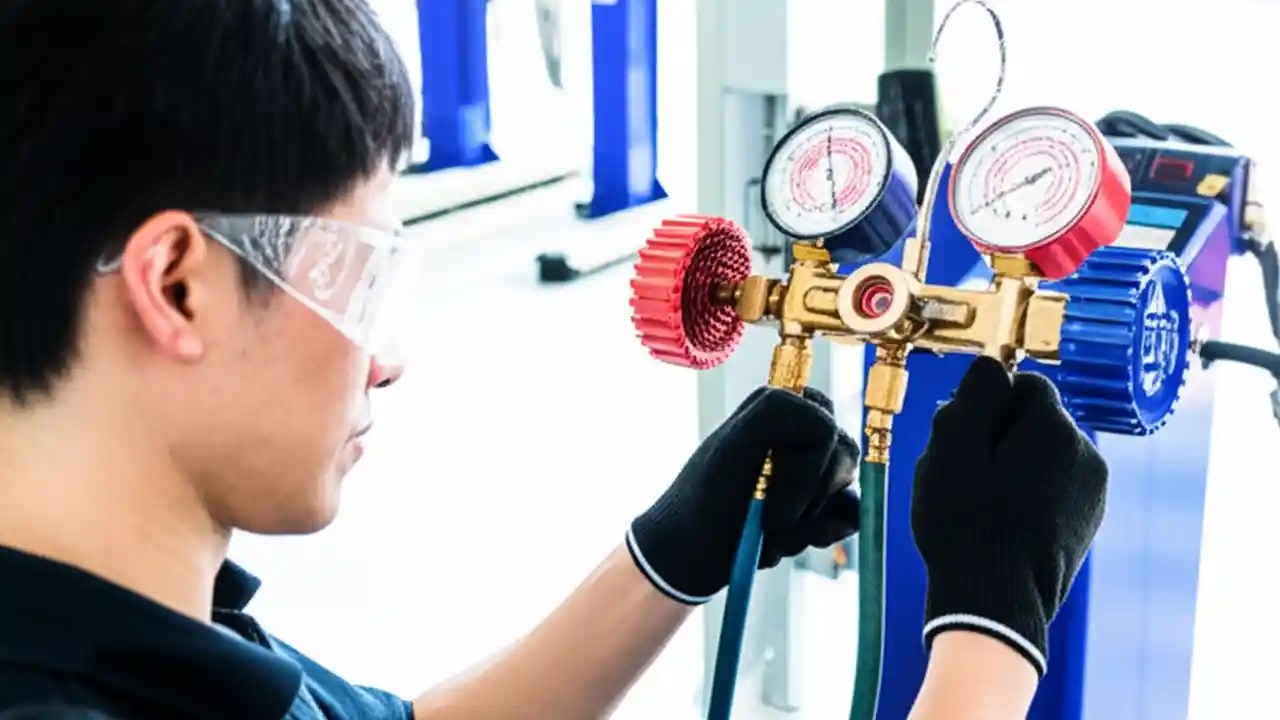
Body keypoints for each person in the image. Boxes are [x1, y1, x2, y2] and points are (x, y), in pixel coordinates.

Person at [0, 1, 1107, 719]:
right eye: (357, 278)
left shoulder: (135, 624)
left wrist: (668, 555)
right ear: (178, 284)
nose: (385, 361)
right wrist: (989, 640)